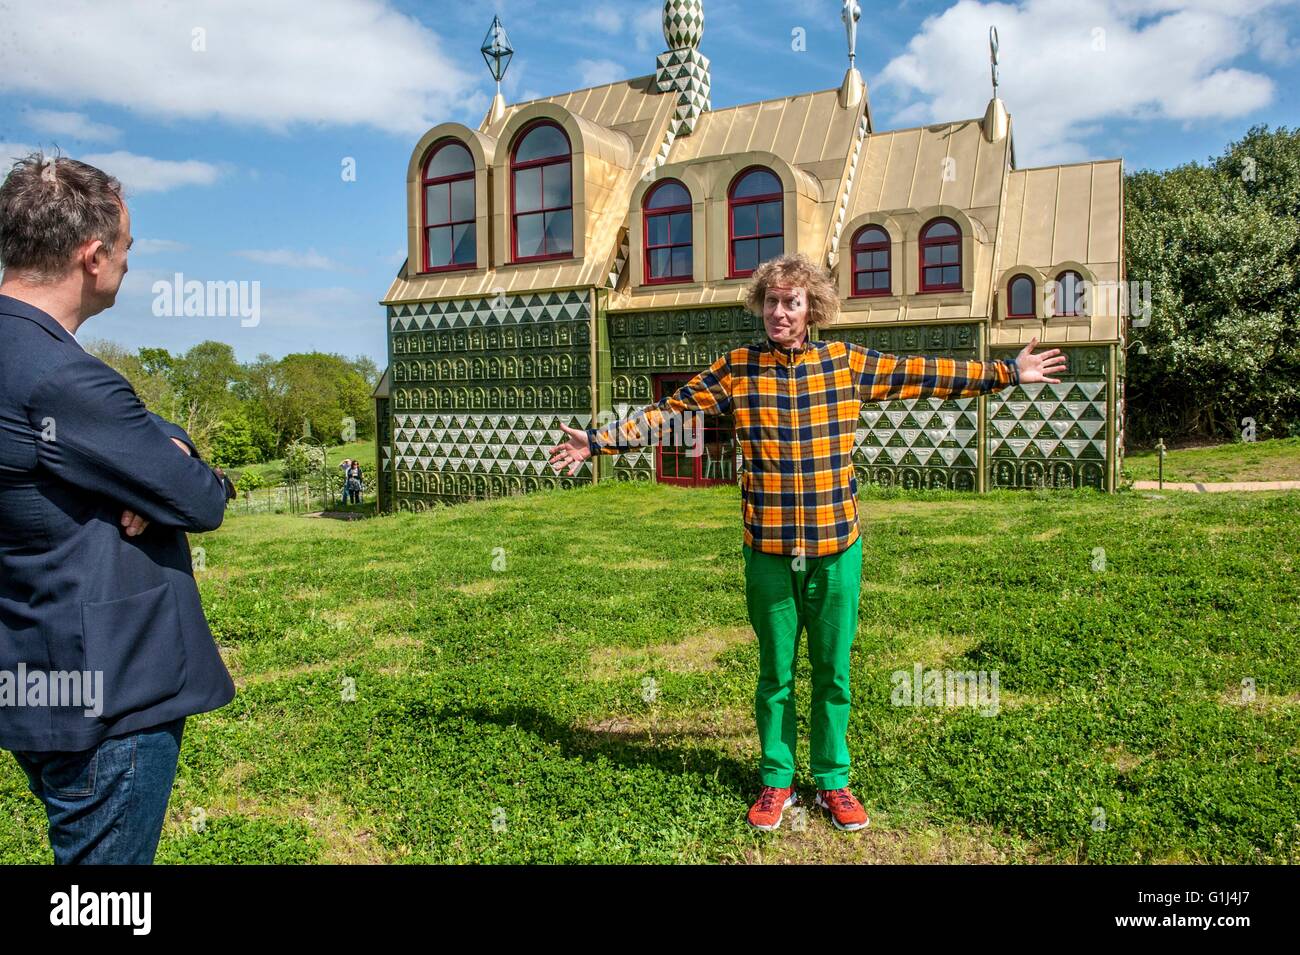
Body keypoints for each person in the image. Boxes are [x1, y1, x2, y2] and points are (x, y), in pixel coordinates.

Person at [549, 252, 1065, 833]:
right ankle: (776, 780)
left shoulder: (845, 363)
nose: (778, 312)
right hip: (767, 548)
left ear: (811, 308)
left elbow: (922, 372)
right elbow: (669, 414)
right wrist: (597, 441)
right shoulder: (738, 368)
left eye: (791, 302)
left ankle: (834, 781)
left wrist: (1005, 373)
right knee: (775, 672)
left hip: (836, 547)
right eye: (770, 301)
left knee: (832, 670)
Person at [0, 152, 236, 864]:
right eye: (127, 248)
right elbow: (198, 497)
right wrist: (166, 471)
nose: (130, 264)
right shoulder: (64, 377)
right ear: (93, 255)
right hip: (109, 700)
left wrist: (151, 462)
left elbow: (140, 455)